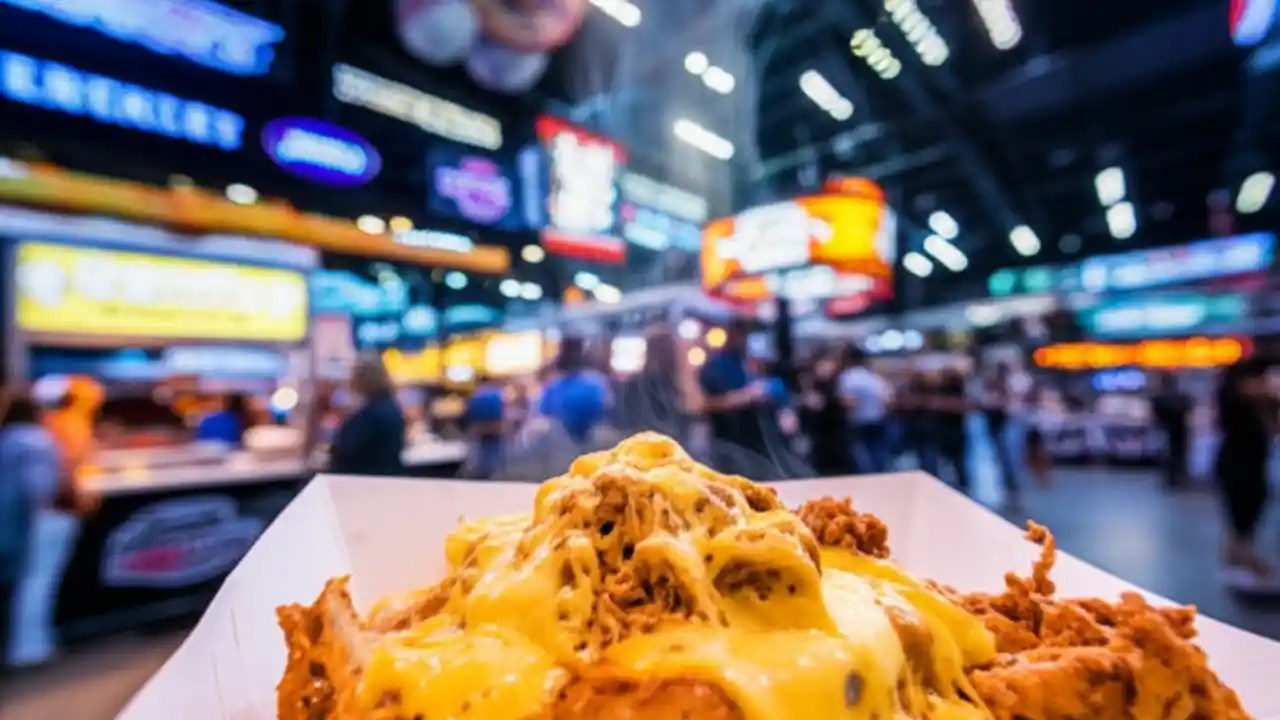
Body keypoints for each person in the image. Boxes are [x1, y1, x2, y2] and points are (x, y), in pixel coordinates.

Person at [0, 391, 61, 665]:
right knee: (34, 581)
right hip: (26, 522)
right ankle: (30, 649)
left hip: (8, 521)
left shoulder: (8, 438)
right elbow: (39, 489)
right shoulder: (37, 440)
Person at [1214, 357, 1276, 587]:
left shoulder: (1251, 402)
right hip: (1238, 466)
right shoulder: (1234, 399)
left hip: (1251, 464)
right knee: (1240, 514)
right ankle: (1236, 563)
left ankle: (1244, 560)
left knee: (1248, 515)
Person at [699, 320, 768, 476]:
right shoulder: (716, 365)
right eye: (742, 334)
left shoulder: (747, 362)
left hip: (753, 438)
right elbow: (706, 403)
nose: (744, 339)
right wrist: (745, 396)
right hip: (728, 438)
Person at [330, 353, 406, 476]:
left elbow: (347, 450)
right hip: (387, 478)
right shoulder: (392, 407)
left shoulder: (369, 414)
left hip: (364, 481)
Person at [540, 336, 611, 446]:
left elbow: (546, 411)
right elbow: (607, 406)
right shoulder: (596, 382)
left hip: (568, 440)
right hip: (584, 439)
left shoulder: (555, 387)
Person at [838, 346, 892, 473]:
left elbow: (848, 401)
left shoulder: (847, 376)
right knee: (877, 452)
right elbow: (887, 399)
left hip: (858, 420)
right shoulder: (873, 377)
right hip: (878, 418)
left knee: (860, 454)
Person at [979, 362, 1022, 503]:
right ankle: (1007, 488)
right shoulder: (990, 388)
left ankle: (1012, 489)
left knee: (1008, 459)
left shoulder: (1010, 387)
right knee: (1002, 459)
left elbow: (1010, 407)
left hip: (1005, 426)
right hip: (995, 427)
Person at [931, 367, 972, 492]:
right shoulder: (940, 390)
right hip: (947, 431)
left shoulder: (958, 390)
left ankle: (961, 486)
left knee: (957, 462)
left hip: (954, 431)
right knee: (950, 462)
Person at [1151, 373, 1193, 490]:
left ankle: (1171, 479)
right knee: (1178, 455)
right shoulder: (1182, 397)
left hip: (1166, 430)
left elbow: (1156, 415)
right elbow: (1188, 409)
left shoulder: (1159, 398)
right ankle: (1178, 478)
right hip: (1180, 431)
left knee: (1169, 455)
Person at [464, 375, 505, 479]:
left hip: (479, 429)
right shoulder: (496, 395)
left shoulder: (476, 396)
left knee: (480, 454)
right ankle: (491, 474)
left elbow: (469, 413)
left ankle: (479, 473)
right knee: (492, 454)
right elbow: (500, 413)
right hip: (494, 429)